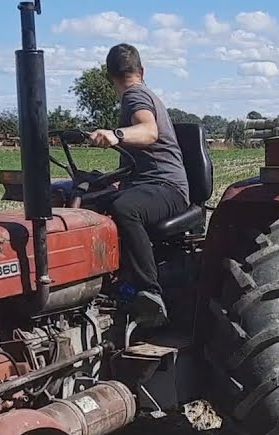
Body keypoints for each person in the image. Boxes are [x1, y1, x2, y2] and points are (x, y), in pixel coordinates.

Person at [86, 43, 190, 328]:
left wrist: (116, 134)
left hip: (167, 187)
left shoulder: (135, 95)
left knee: (125, 208)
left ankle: (149, 292)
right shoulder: (142, 92)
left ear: (110, 78)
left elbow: (148, 131)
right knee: (85, 197)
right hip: (146, 183)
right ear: (142, 70)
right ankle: (108, 287)